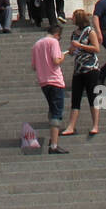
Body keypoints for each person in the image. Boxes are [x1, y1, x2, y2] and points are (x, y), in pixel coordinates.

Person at [60, 9, 102, 138]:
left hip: (91, 68)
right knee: (76, 98)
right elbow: (74, 51)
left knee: (93, 97)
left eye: (73, 17)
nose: (71, 19)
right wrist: (71, 50)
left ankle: (95, 125)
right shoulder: (74, 33)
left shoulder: (90, 31)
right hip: (78, 69)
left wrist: (81, 46)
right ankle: (71, 126)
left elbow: (96, 48)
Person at [31, 25, 68, 154]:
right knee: (57, 111)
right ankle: (54, 145)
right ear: (57, 34)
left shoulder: (36, 44)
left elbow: (34, 66)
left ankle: (53, 139)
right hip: (55, 80)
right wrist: (63, 55)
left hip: (43, 81)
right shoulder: (54, 42)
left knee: (52, 109)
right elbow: (56, 60)